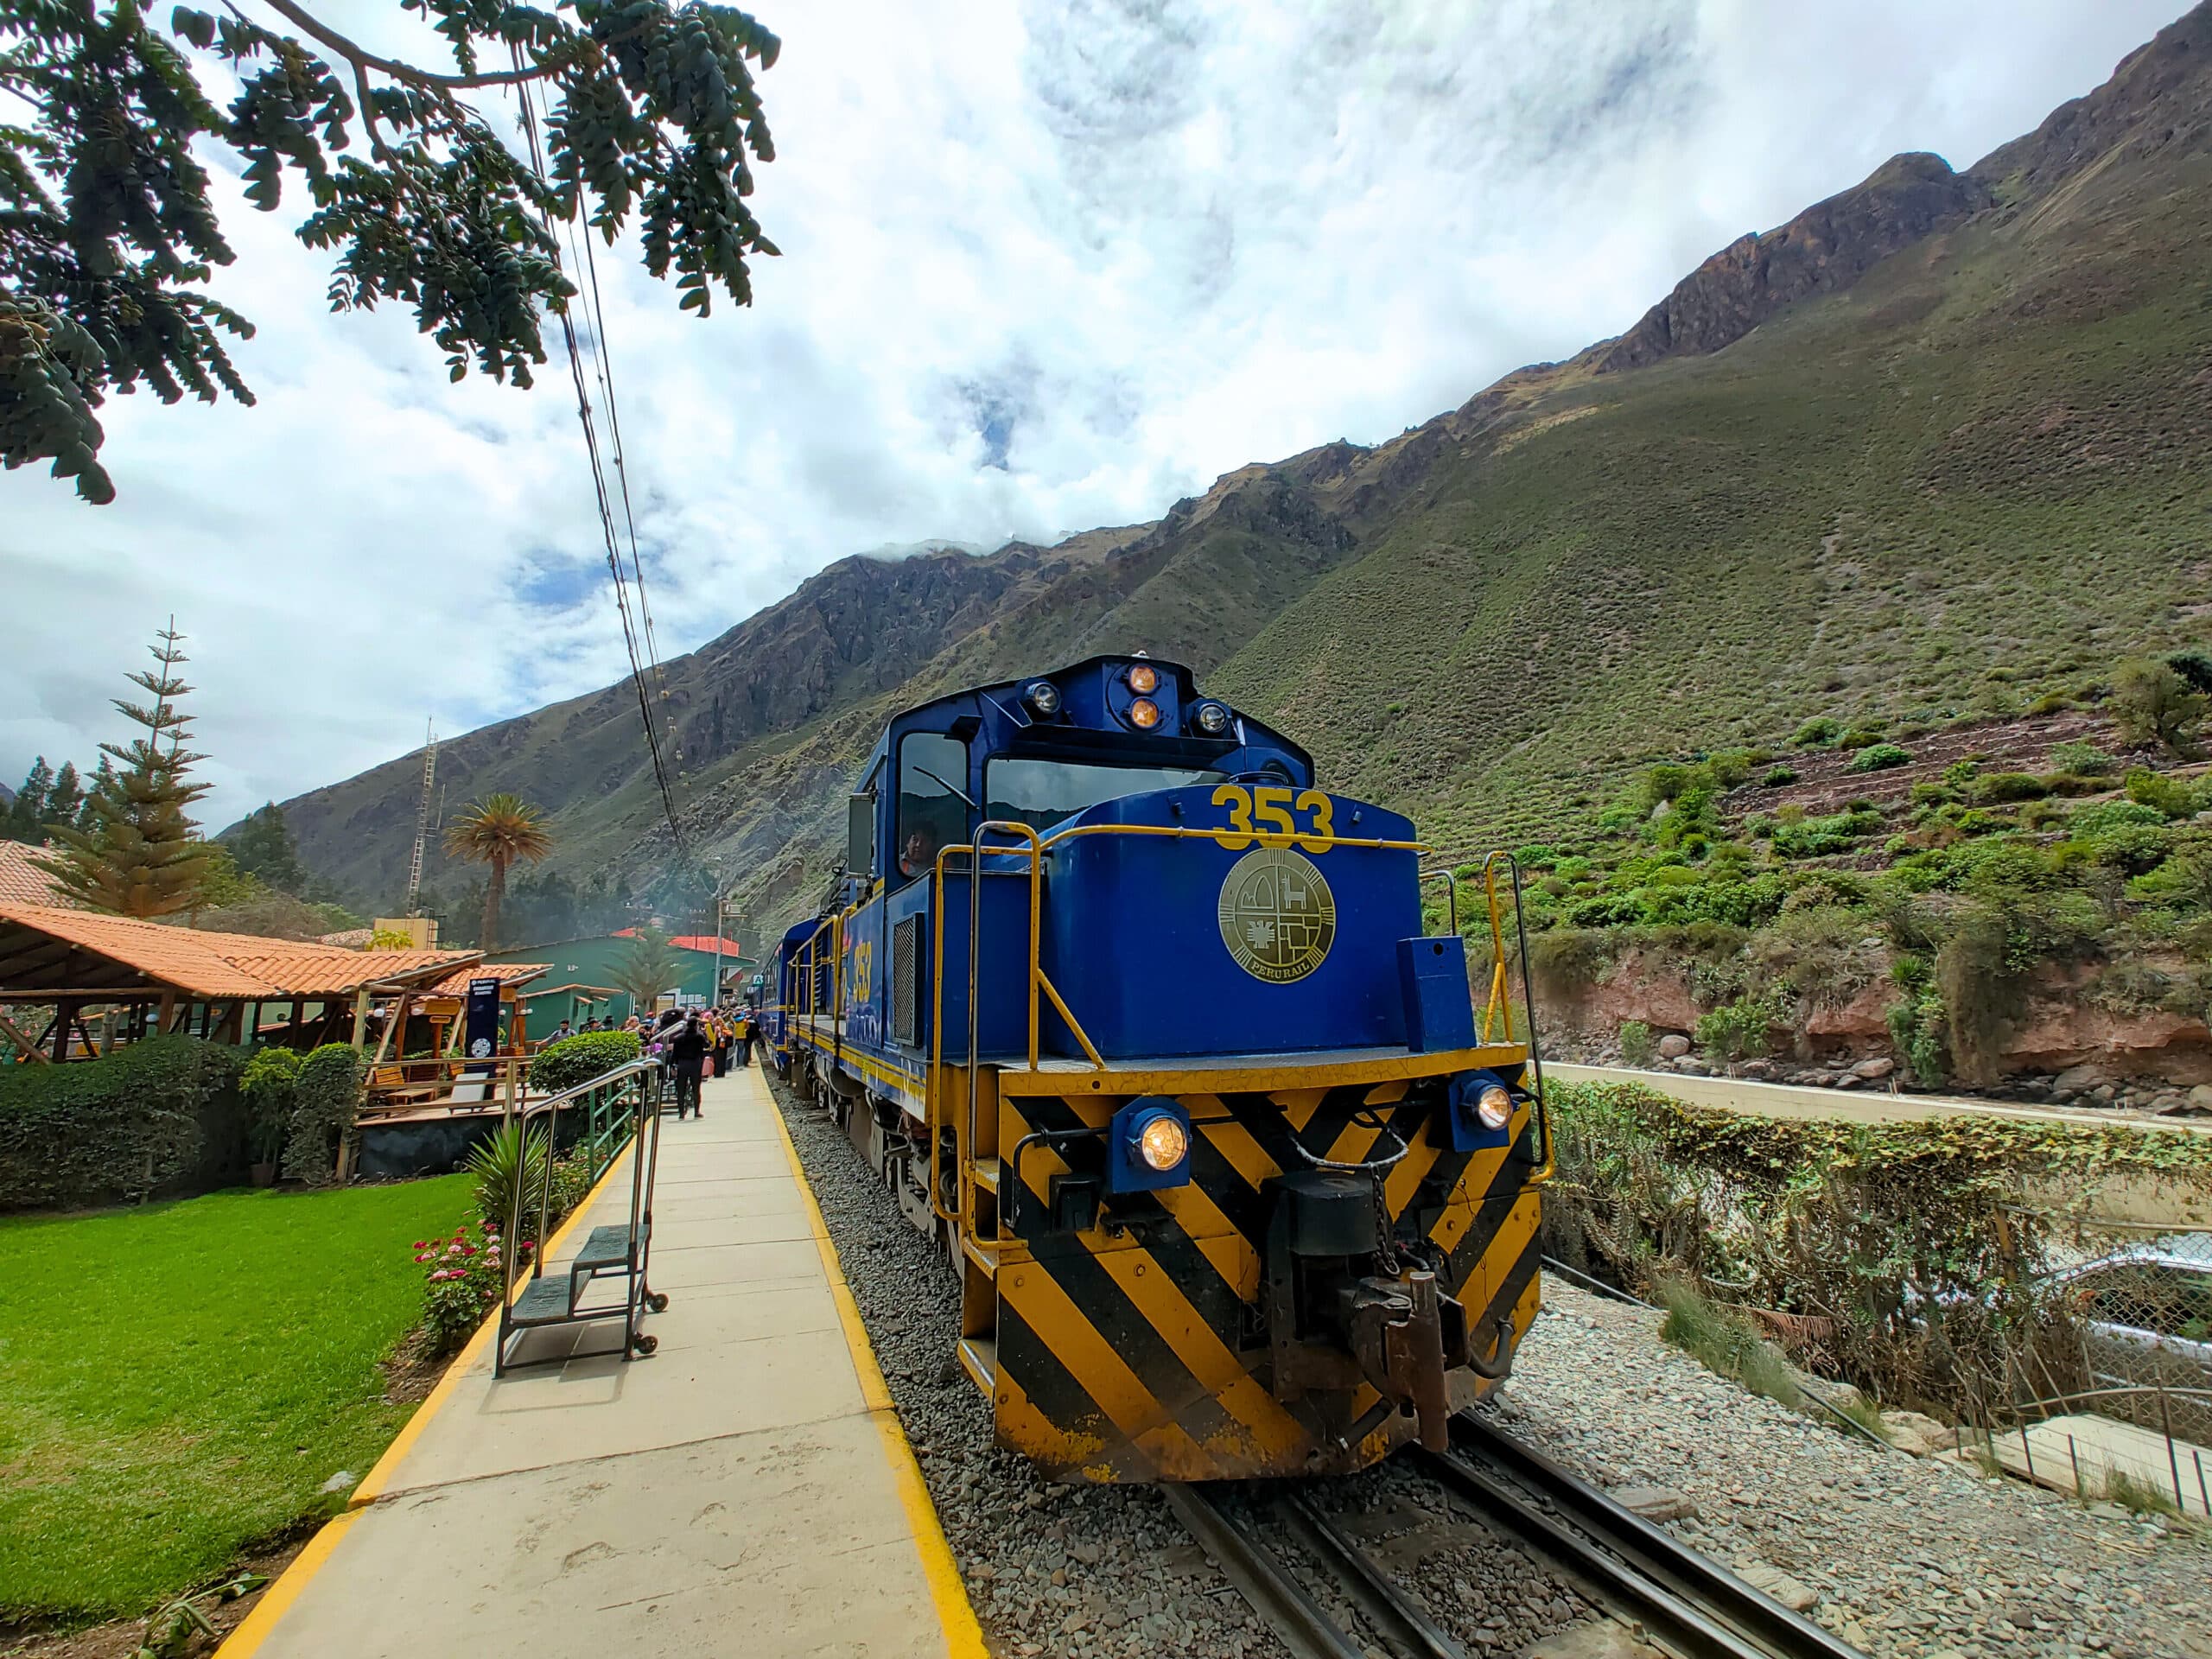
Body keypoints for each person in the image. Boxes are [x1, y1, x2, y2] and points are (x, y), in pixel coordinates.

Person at [668, 1012, 709, 1119]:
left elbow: (674, 1053)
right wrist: (704, 1034)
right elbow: (707, 1045)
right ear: (696, 1025)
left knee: (681, 1090)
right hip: (695, 1064)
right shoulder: (699, 1036)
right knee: (696, 1089)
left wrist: (672, 1065)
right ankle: (696, 1112)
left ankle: (681, 1113)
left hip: (682, 1064)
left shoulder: (678, 1038)